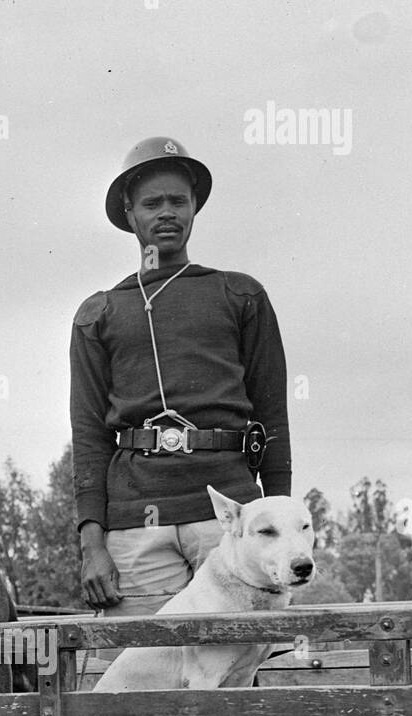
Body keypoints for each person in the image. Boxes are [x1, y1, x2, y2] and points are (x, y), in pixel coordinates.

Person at [70, 138, 292, 663]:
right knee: (141, 674)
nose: (167, 213)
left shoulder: (239, 295)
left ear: (194, 207)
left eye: (178, 201)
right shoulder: (98, 312)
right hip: (135, 522)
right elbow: (88, 434)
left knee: (233, 669)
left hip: (227, 520)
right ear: (128, 213)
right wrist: (92, 544)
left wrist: (279, 524)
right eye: (152, 203)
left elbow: (273, 414)